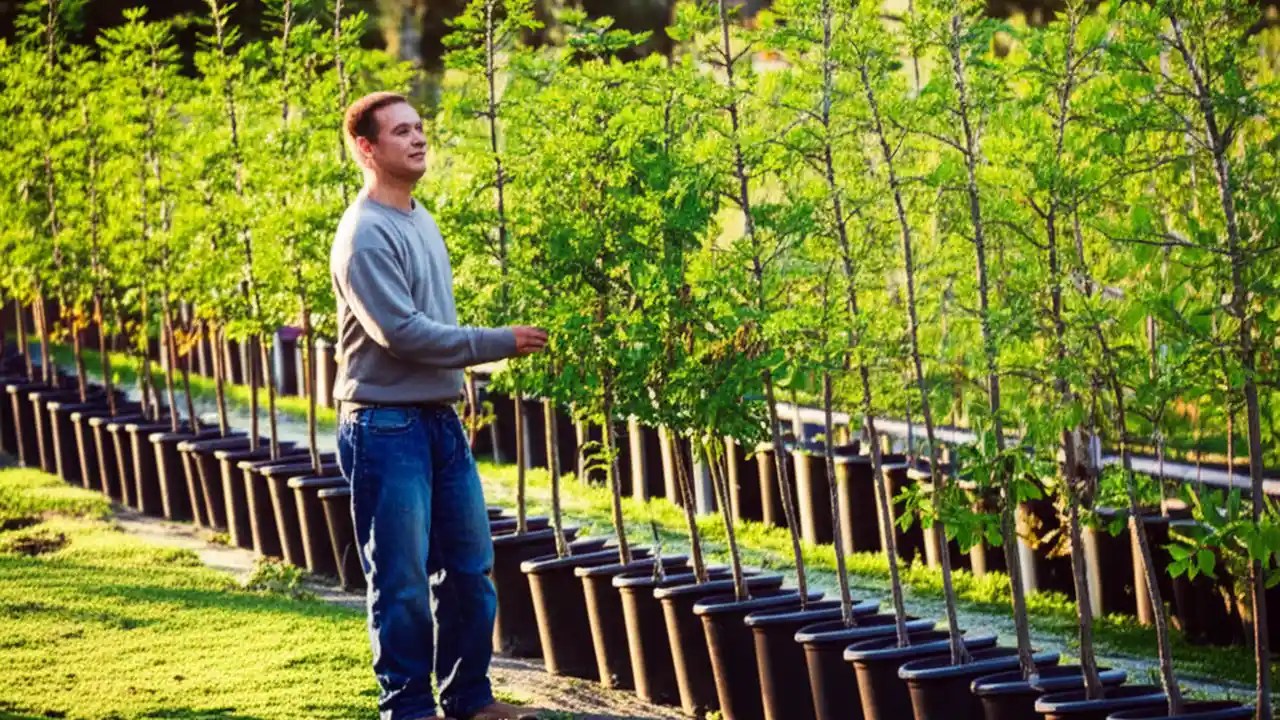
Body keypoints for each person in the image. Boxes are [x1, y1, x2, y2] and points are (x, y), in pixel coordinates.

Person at [331, 90, 548, 720]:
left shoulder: (418, 216)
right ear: (367, 149)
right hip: (384, 424)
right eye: (401, 131)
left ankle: (469, 699)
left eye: (420, 127)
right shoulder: (364, 234)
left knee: (471, 570)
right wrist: (495, 343)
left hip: (438, 419)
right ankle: (407, 708)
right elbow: (402, 333)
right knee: (400, 584)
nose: (418, 138)